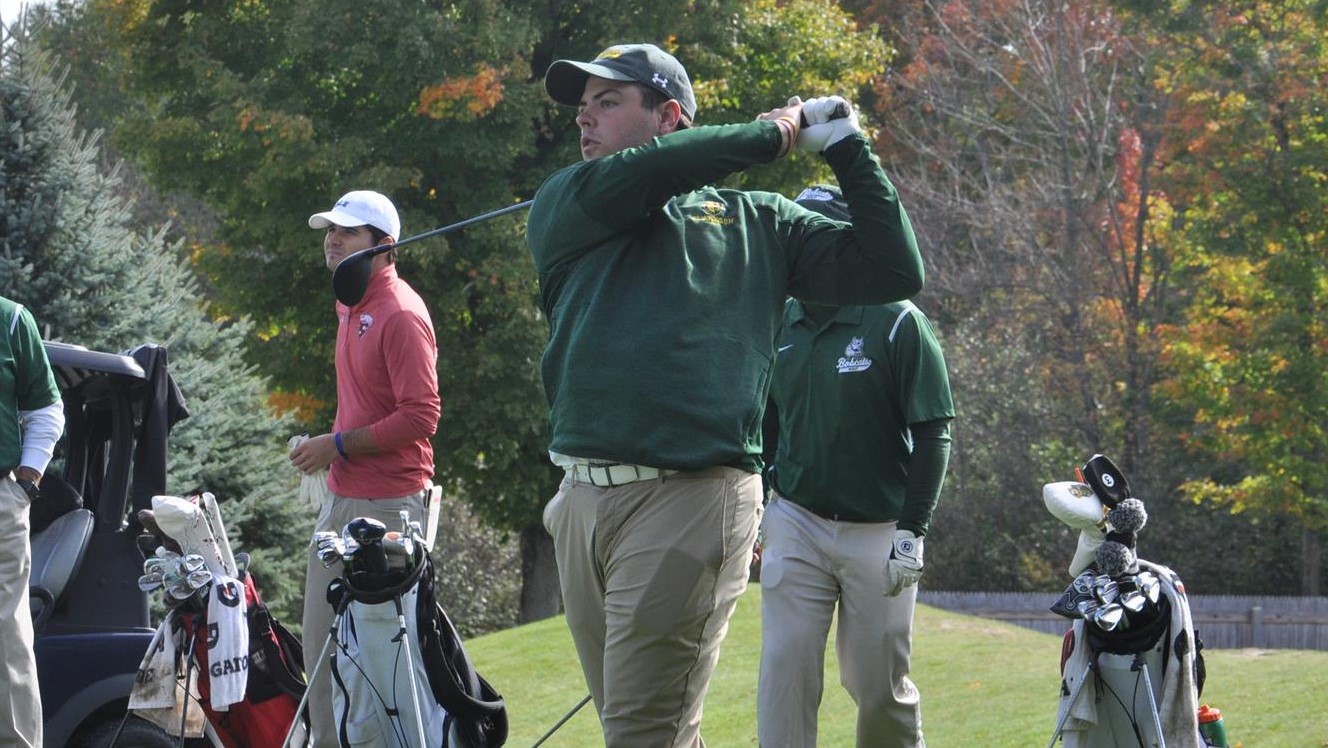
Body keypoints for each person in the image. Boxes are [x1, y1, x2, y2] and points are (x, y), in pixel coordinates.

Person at [527, 42, 925, 747]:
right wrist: (773, 134)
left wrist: (846, 148)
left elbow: (893, 268)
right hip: (581, 500)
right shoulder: (570, 199)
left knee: (642, 731)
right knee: (646, 723)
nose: (584, 120)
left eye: (608, 102)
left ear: (668, 116)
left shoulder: (761, 223)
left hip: (690, 496)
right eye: (583, 107)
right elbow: (658, 169)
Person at [756, 185, 954, 748]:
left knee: (877, 684)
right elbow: (766, 423)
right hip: (797, 519)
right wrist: (762, 496)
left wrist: (913, 530)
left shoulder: (898, 322)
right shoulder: (778, 322)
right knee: (785, 667)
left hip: (881, 529)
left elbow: (933, 431)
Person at [288, 190, 441, 746]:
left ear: (384, 245)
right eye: (330, 229)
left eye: (348, 231)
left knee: (387, 666)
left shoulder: (400, 313)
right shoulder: (349, 303)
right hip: (343, 497)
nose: (333, 239)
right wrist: (329, 449)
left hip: (387, 508)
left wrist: (338, 446)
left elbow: (422, 415)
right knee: (320, 647)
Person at [1, 295, 65, 748]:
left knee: (7, 636)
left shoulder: (11, 319)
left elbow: (45, 410)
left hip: (2, 501)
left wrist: (24, 484)